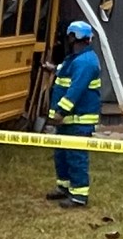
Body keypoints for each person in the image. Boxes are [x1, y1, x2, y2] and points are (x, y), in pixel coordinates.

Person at [42, 20, 101, 209]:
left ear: (73, 36)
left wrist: (60, 112)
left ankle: (79, 197)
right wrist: (53, 69)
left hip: (78, 120)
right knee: (62, 155)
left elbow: (75, 90)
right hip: (69, 121)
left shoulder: (85, 62)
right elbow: (66, 70)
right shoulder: (77, 58)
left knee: (76, 156)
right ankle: (64, 188)